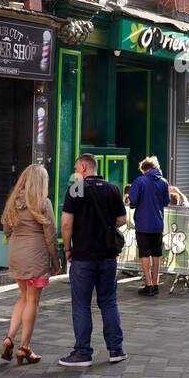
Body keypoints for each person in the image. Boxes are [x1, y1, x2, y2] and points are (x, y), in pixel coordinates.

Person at [59, 154, 128, 367]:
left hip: (82, 256)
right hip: (107, 256)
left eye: (75, 167)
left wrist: (67, 248)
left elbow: (66, 224)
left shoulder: (75, 189)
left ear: (82, 166)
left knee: (81, 305)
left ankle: (82, 352)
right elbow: (122, 219)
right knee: (109, 302)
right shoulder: (112, 188)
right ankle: (116, 350)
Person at [0, 164, 60, 364]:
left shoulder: (12, 202)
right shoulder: (43, 203)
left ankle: (10, 338)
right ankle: (24, 348)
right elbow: (50, 236)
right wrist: (56, 261)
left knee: (23, 297)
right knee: (32, 301)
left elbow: (6, 228)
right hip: (36, 256)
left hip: (16, 254)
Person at [127, 156, 170, 297]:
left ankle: (149, 284)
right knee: (156, 254)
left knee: (144, 254)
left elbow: (133, 200)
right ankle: (156, 283)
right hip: (158, 223)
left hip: (143, 223)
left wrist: (131, 200)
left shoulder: (140, 181)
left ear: (144, 169)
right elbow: (166, 201)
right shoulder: (164, 182)